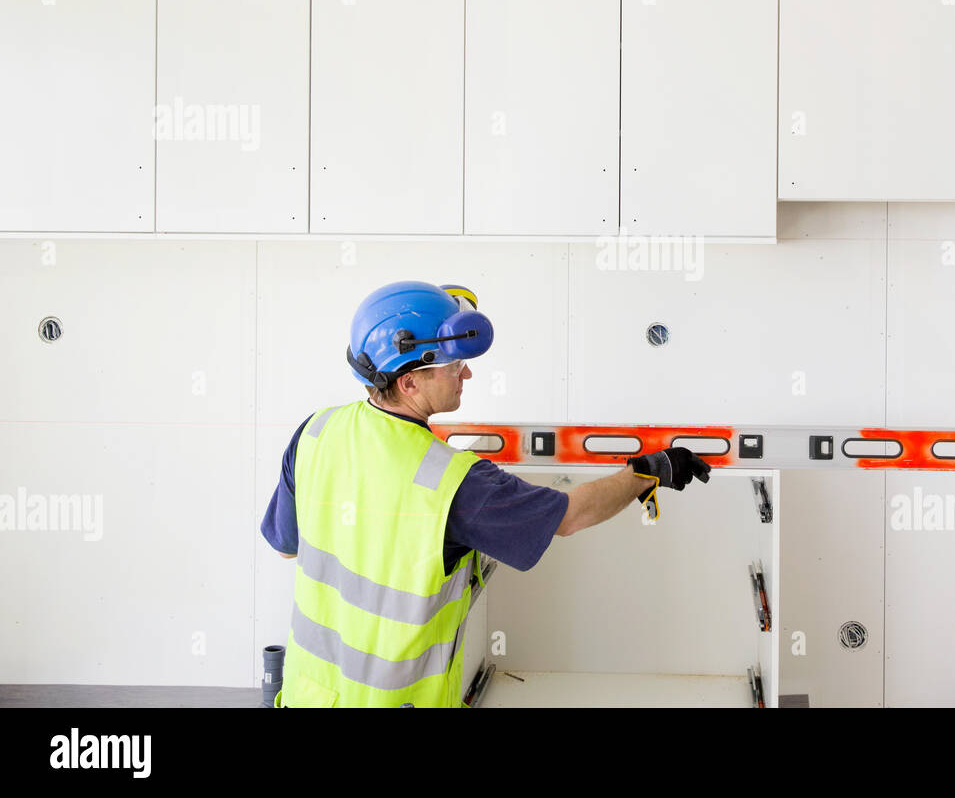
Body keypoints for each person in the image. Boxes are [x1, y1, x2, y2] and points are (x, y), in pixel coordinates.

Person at [259, 280, 710, 707]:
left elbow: (286, 547)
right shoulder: (452, 480)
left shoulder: (316, 432)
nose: (467, 373)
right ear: (409, 381)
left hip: (310, 694)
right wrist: (649, 472)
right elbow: (569, 516)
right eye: (454, 365)